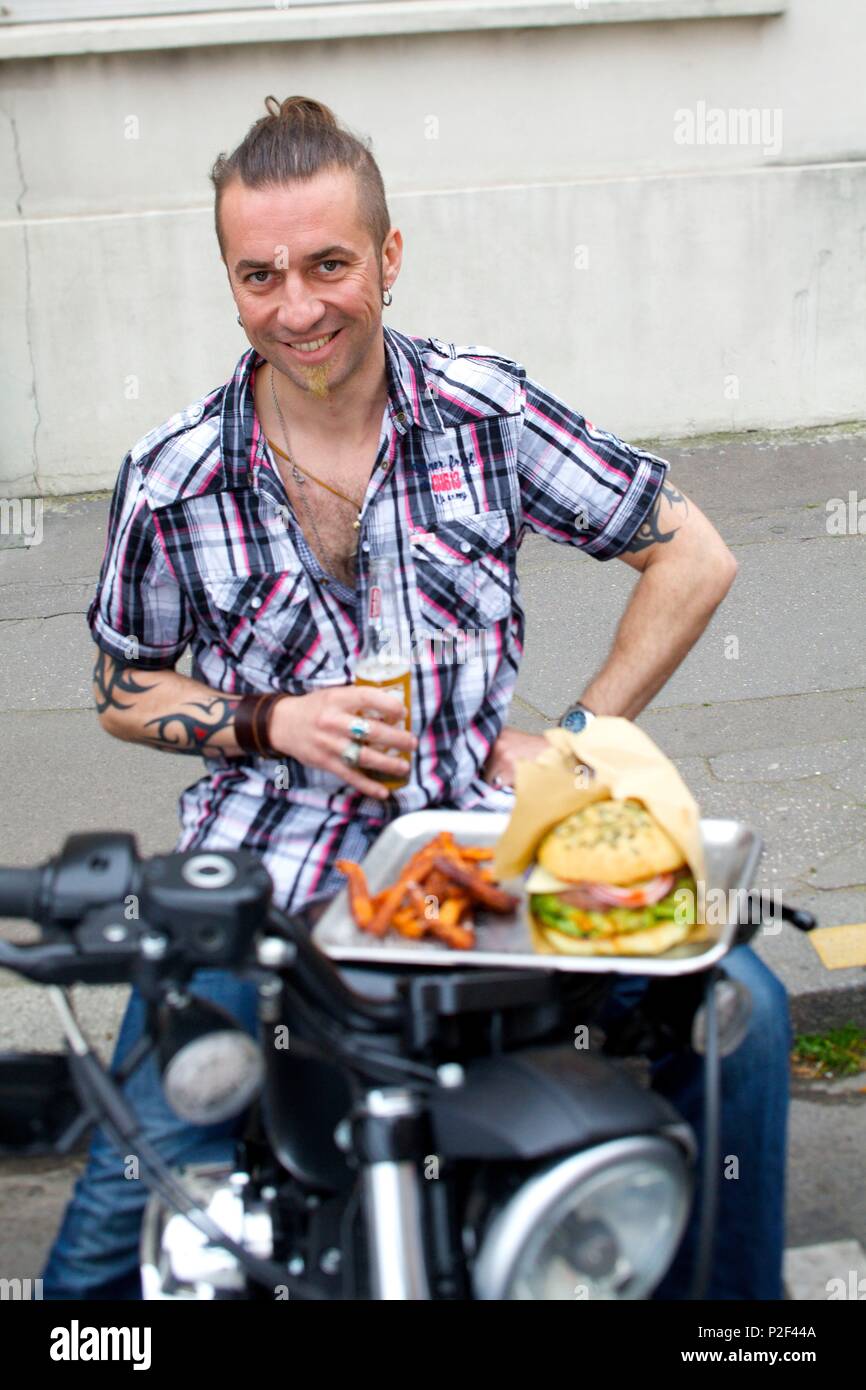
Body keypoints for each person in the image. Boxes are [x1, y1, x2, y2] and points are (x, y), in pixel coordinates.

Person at [43, 94, 789, 1301]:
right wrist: (263, 719)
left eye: (329, 263)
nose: (297, 307)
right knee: (115, 1227)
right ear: (229, 280)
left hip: (477, 860)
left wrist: (580, 741)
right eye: (260, 274)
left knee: (739, 1010)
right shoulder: (173, 478)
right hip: (265, 881)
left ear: (387, 256)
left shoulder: (482, 414)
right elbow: (121, 686)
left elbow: (691, 552)